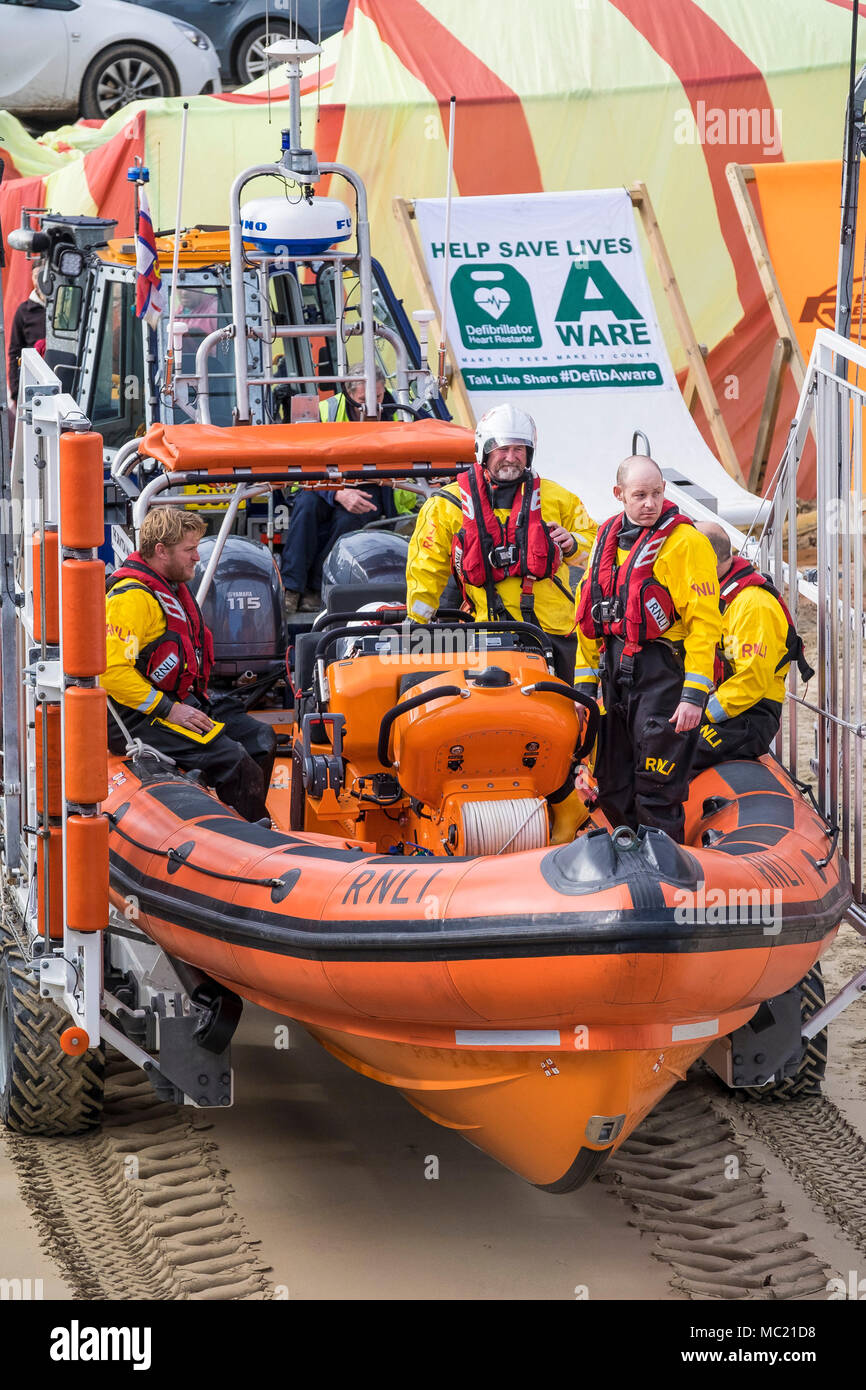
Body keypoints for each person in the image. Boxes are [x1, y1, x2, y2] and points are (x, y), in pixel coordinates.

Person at [574, 454, 722, 843]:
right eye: (640, 495)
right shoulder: (606, 539)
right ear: (619, 494)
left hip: (663, 676)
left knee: (657, 787)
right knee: (612, 781)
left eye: (657, 493)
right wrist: (585, 689)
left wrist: (694, 696)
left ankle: (663, 874)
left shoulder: (686, 543)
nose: (650, 503)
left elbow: (705, 626)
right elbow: (591, 616)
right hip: (615, 676)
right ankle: (625, 859)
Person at [103, 509, 276, 823]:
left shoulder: (169, 587)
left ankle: (244, 821)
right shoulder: (130, 601)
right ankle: (254, 842)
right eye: (189, 549)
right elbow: (111, 672)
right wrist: (169, 710)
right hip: (137, 716)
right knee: (234, 760)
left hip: (176, 701)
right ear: (160, 551)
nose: (198, 557)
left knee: (260, 739)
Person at [405, 405, 596, 683]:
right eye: (502, 449)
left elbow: (599, 551)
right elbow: (426, 567)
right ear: (484, 450)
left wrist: (573, 545)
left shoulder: (560, 499)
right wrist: (417, 626)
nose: (511, 457)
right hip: (487, 634)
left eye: (519, 449)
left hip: (554, 632)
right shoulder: (446, 505)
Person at [691, 522, 814, 770]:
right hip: (721, 704)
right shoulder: (713, 594)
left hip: (748, 716)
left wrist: (701, 715)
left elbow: (751, 681)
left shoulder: (752, 605)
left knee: (673, 760)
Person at [280, 363, 398, 613]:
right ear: (348, 392)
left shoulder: (398, 413)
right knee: (306, 507)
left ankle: (316, 587)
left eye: (378, 397)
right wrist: (337, 492)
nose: (372, 406)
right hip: (323, 482)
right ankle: (291, 587)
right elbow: (303, 464)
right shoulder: (325, 411)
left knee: (349, 518)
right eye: (363, 399)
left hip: (373, 485)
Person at [7, 261, 47, 404]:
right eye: (36, 276)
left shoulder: (65, 305)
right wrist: (16, 390)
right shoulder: (24, 311)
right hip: (33, 380)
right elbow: (14, 351)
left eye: (43, 275)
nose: (40, 281)